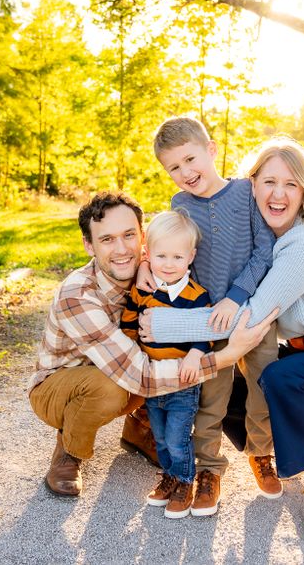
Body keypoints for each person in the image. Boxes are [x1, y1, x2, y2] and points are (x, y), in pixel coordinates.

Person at [140, 138, 304, 539]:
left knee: (277, 379)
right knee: (232, 387)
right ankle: (300, 435)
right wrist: (145, 264)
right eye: (269, 181)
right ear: (251, 184)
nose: (278, 194)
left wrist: (164, 326)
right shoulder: (266, 232)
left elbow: (251, 318)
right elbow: (179, 237)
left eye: (291, 184)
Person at [27, 191, 276, 497]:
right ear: (89, 245)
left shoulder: (154, 268)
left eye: (129, 235)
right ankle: (69, 449)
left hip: (123, 369)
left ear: (143, 238)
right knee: (112, 386)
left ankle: (140, 426)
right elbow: (138, 375)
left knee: (153, 356)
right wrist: (227, 356)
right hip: (60, 386)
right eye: (107, 239)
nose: (121, 249)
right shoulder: (77, 295)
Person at [138, 117, 281, 517]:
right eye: (174, 167)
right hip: (205, 322)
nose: (185, 172)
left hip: (252, 313)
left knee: (263, 387)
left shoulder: (246, 192)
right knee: (209, 399)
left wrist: (236, 297)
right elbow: (170, 248)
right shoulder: (179, 205)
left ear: (211, 150)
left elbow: (264, 251)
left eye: (190, 159)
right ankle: (209, 470)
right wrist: (145, 265)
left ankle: (261, 452)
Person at [119, 210, 212, 518]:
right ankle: (169, 476)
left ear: (191, 257)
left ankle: (185, 481)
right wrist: (131, 354)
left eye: (177, 257)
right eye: (161, 256)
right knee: (159, 437)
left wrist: (196, 354)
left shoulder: (197, 296)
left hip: (183, 382)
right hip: (151, 381)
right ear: (148, 254)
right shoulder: (142, 291)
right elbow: (129, 325)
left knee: (176, 438)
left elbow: (206, 332)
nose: (169, 264)